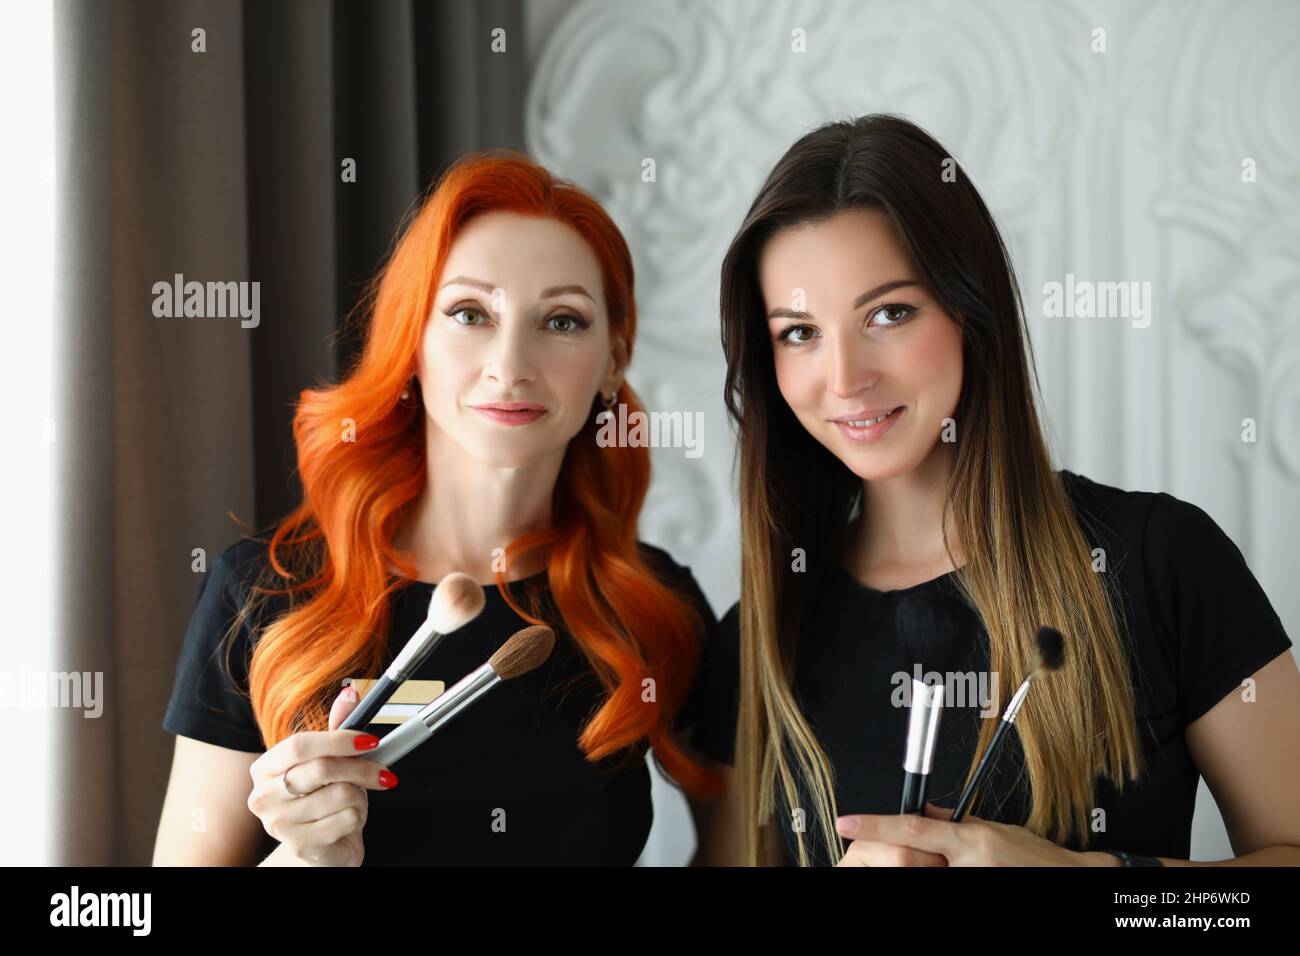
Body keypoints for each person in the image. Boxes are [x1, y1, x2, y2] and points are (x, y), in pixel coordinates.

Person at [692, 113, 1300, 867]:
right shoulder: (755, 641)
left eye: (890, 313)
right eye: (799, 332)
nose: (845, 378)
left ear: (970, 311)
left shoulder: (1163, 562)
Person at [154, 150, 726, 866]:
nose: (511, 363)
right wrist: (301, 861)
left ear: (613, 362)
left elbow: (747, 847)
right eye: (469, 313)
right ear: (411, 343)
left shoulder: (652, 604)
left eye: (563, 321)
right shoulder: (261, 595)